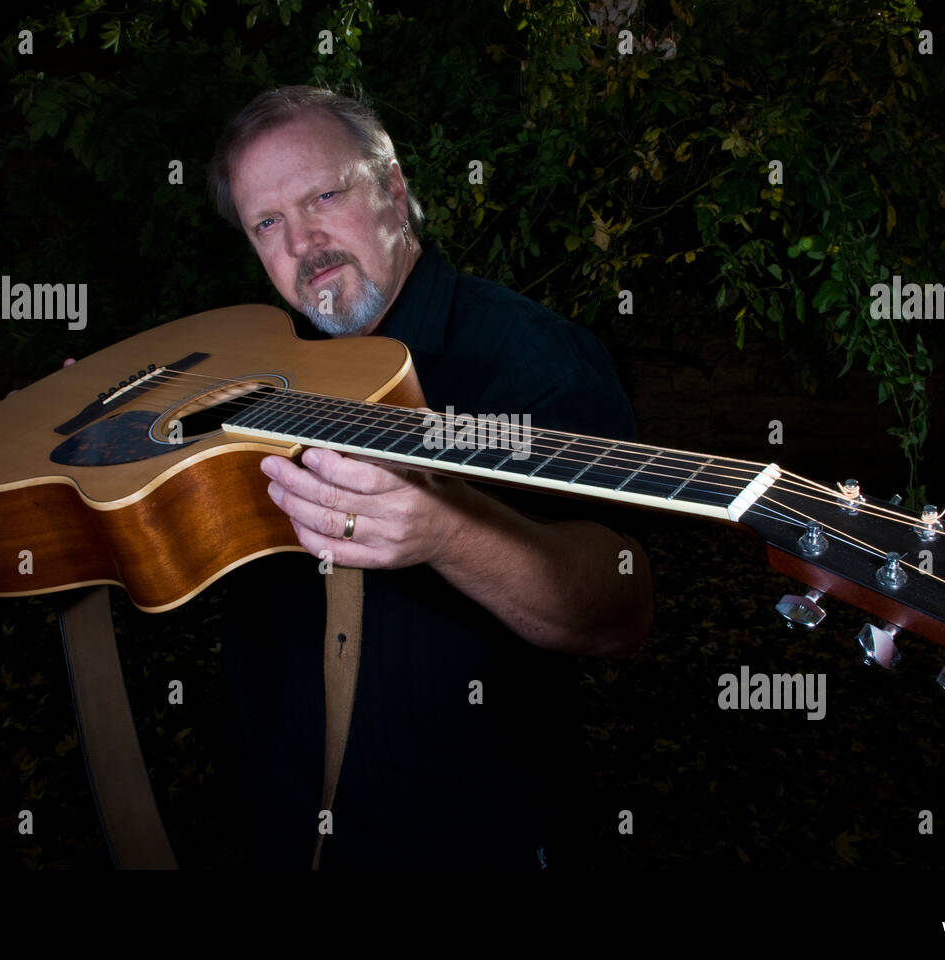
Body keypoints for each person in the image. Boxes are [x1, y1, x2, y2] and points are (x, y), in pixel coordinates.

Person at [208, 85, 652, 870]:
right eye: (268, 223)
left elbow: (620, 608)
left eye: (323, 196)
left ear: (394, 190)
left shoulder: (532, 357)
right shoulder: (254, 377)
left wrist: (449, 531)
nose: (304, 243)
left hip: (477, 845)